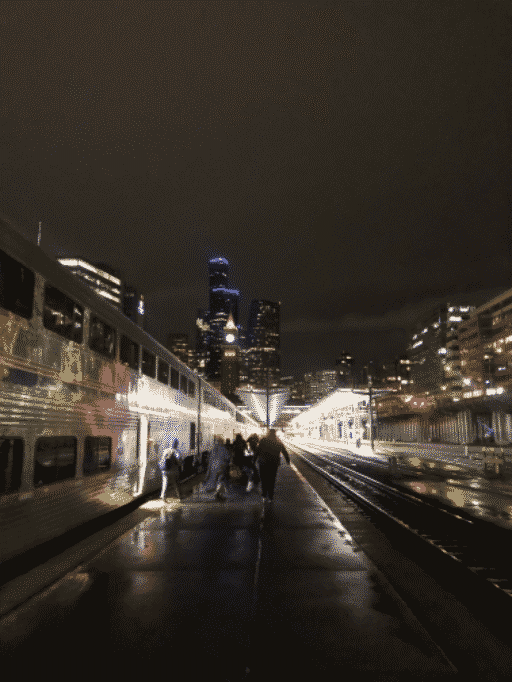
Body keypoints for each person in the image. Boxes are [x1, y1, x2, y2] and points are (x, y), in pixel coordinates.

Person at [254, 428, 290, 502]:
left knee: (264, 480)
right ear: (275, 434)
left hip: (263, 463)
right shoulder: (277, 441)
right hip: (273, 464)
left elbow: (257, 451)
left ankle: (264, 495)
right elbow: (284, 451)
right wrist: (287, 460)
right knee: (271, 480)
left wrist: (254, 460)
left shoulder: (262, 440)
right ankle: (270, 496)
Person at [204, 435, 232, 500]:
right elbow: (228, 458)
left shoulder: (212, 449)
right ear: (221, 442)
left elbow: (210, 459)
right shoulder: (224, 449)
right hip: (221, 467)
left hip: (213, 468)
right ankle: (218, 494)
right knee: (221, 481)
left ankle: (218, 494)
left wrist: (208, 471)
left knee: (217, 481)